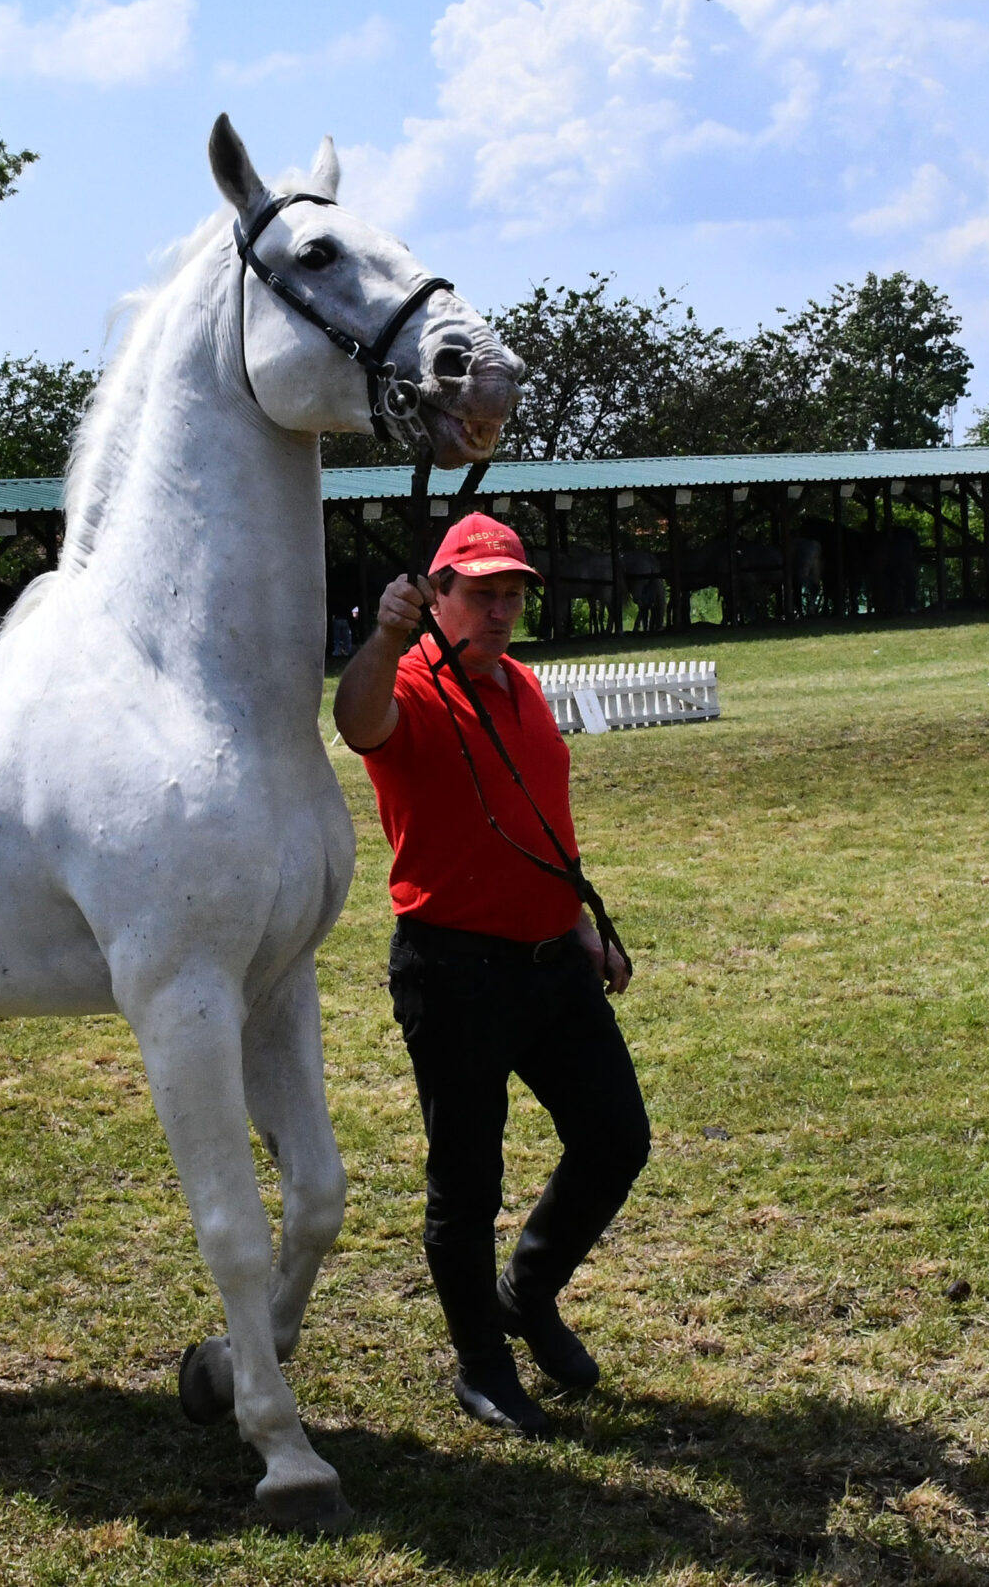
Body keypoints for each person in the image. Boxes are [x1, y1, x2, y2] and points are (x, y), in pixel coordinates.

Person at [333, 512, 647, 1439]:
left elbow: (540, 811)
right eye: (481, 592)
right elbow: (355, 721)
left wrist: (585, 923)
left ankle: (526, 1290)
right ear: (437, 594)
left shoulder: (522, 683)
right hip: (456, 970)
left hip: (553, 962)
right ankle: (480, 1358)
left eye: (512, 593)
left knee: (615, 1137)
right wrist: (385, 636)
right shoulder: (409, 687)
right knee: (466, 1180)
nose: (502, 609)